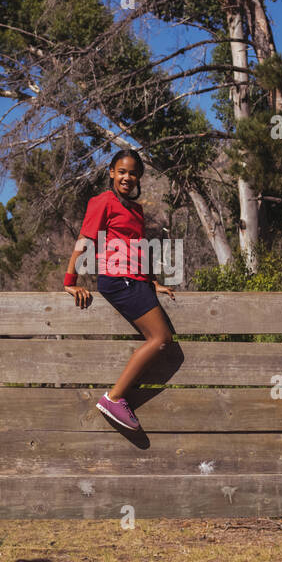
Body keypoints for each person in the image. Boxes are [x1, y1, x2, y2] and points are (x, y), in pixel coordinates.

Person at [64, 149, 176, 431]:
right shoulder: (101, 202)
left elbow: (138, 248)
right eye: (122, 171)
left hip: (136, 280)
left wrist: (152, 281)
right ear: (111, 172)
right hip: (117, 279)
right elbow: (85, 240)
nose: (127, 177)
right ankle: (114, 397)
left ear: (139, 177)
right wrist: (70, 281)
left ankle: (119, 397)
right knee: (161, 339)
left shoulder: (136, 209)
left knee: (160, 341)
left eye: (133, 173)